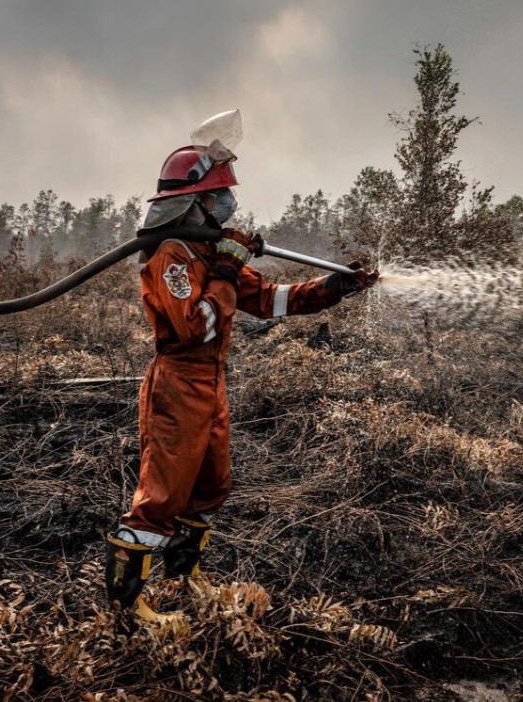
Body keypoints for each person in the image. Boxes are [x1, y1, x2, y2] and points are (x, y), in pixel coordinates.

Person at [105, 143, 378, 613]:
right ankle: (126, 607)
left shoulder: (209, 252)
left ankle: (185, 579)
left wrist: (334, 287)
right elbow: (196, 326)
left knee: (211, 486)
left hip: (211, 383)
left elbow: (269, 299)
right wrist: (227, 268)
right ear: (194, 203)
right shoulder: (173, 256)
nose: (228, 204)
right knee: (162, 496)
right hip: (178, 384)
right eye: (218, 195)